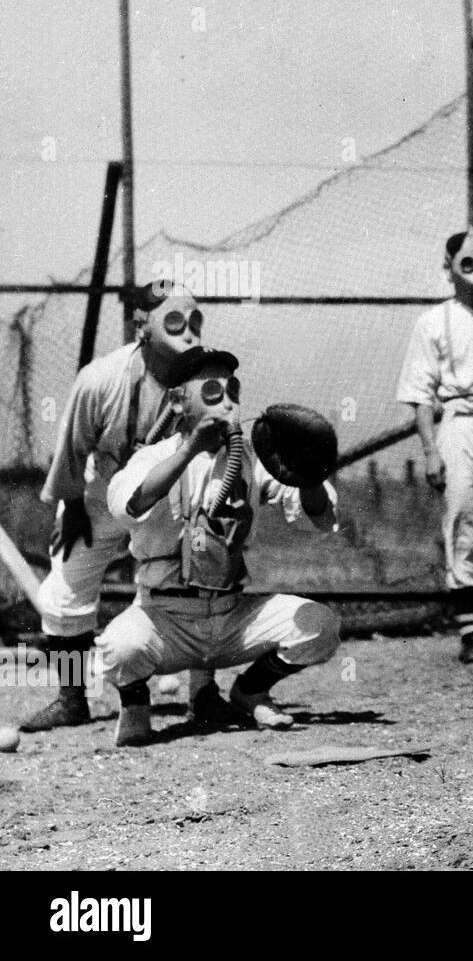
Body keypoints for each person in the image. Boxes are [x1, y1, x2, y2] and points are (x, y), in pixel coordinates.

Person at [98, 347, 342, 746]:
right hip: (166, 618)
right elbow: (131, 504)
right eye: (211, 390)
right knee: (120, 646)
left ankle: (250, 691)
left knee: (319, 625)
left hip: (230, 614)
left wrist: (309, 474)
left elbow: (318, 517)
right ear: (178, 401)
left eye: (232, 388)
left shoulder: (249, 456)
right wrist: (191, 447)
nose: (226, 398)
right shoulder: (155, 457)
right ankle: (136, 706)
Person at [21, 280, 223, 734]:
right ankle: (72, 698)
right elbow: (73, 446)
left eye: (195, 321)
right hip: (99, 494)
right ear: (141, 326)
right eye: (174, 321)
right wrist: (71, 507)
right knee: (65, 592)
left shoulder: (206, 378)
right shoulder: (101, 378)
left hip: (166, 494)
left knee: (196, 576)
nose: (188, 332)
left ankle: (205, 694)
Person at [395, 229, 473, 664]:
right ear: (448, 268)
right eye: (466, 263)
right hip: (459, 424)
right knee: (464, 521)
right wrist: (431, 450)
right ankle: (471, 631)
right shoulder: (433, 321)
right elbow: (420, 393)